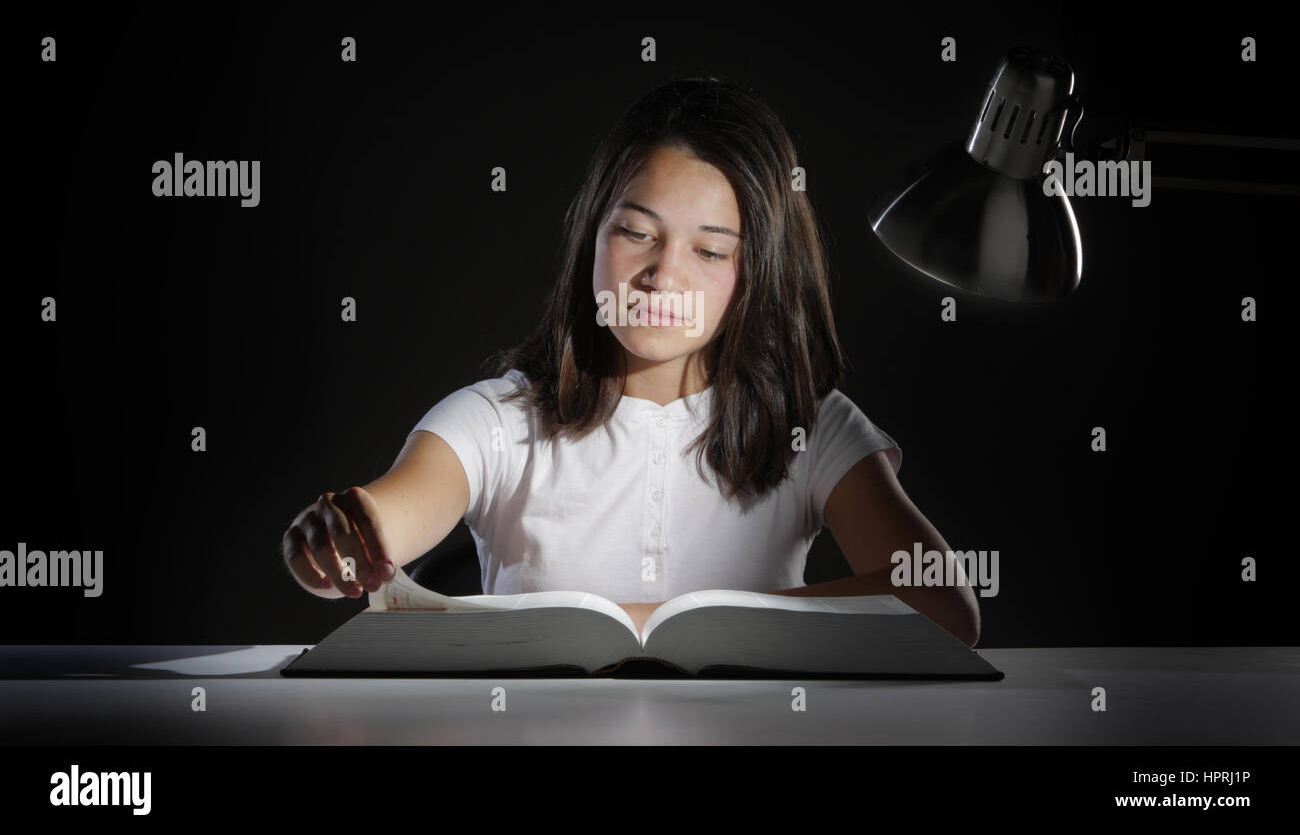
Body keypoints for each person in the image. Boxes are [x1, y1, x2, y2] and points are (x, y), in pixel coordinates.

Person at [282, 76, 980, 647]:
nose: (661, 276)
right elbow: (371, 532)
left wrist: (673, 624)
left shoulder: (810, 426)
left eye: (708, 251)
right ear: (594, 234)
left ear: (756, 273)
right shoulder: (497, 419)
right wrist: (330, 542)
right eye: (637, 233)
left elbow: (940, 603)